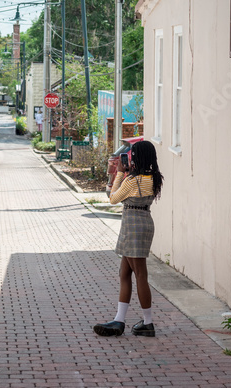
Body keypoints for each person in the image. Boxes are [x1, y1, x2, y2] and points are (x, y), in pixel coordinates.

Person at [93, 140, 164, 337]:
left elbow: (112, 198)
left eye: (132, 154)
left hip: (133, 226)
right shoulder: (153, 177)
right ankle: (119, 319)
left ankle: (148, 323)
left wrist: (118, 173)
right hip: (142, 222)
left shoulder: (133, 180)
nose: (129, 157)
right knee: (125, 273)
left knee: (140, 274)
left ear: (137, 157)